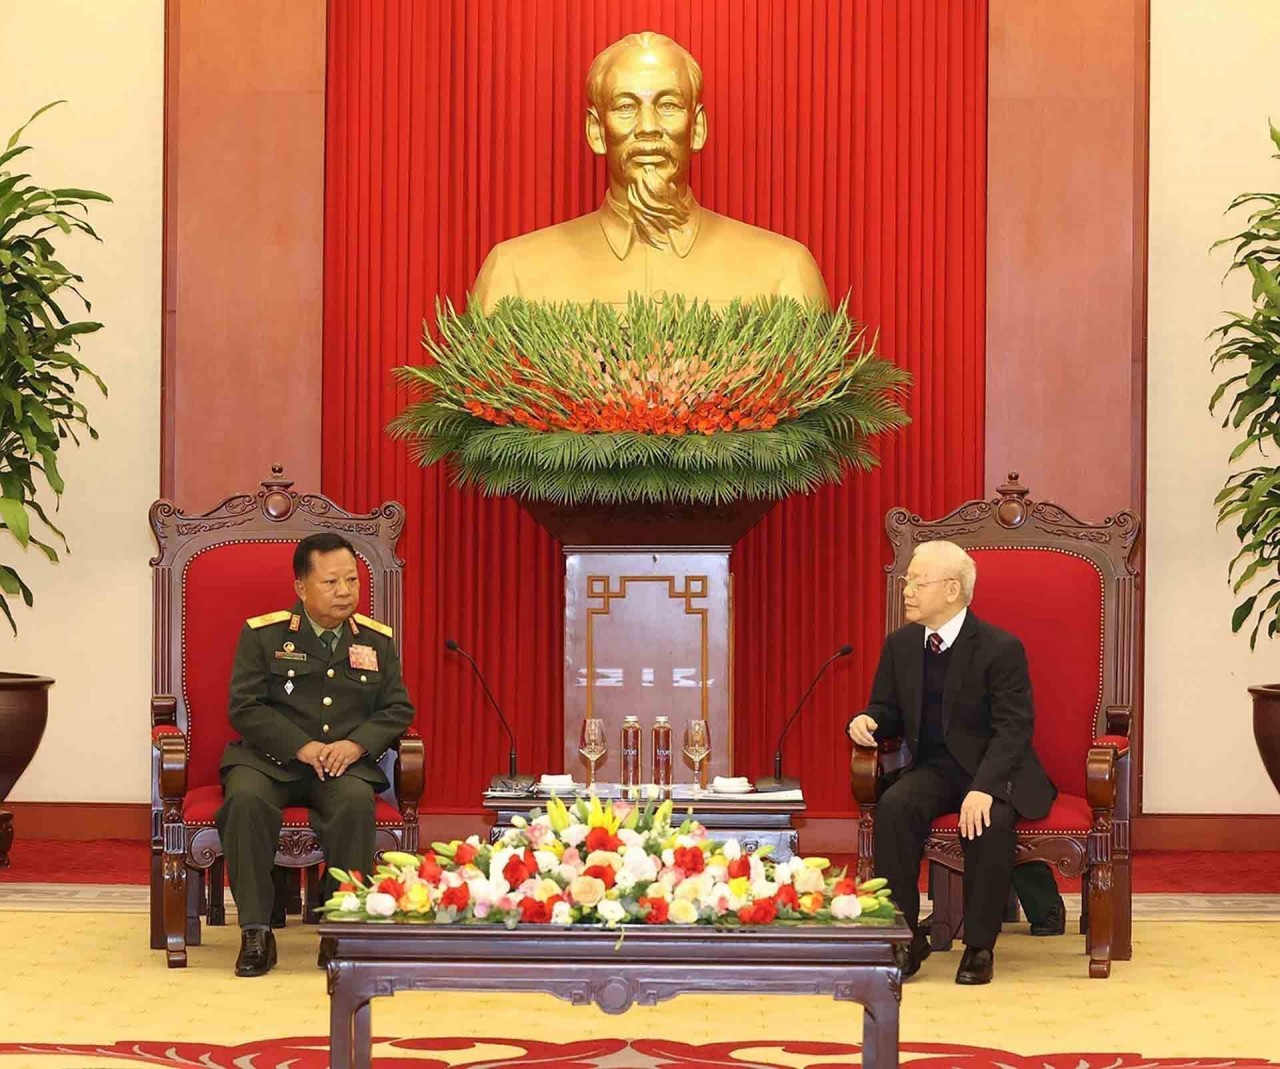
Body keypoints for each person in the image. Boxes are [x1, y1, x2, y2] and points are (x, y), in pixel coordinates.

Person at [471, 31, 830, 311]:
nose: (647, 127)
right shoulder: (514, 273)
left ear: (698, 127)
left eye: (668, 105)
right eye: (625, 106)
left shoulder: (784, 273)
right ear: (596, 131)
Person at [847, 540, 1057, 984]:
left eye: (917, 582)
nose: (906, 590)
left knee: (989, 821)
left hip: (996, 769)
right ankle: (904, 937)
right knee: (896, 807)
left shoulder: (1000, 648)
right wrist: (867, 720)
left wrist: (984, 787)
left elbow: (1013, 730)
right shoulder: (901, 646)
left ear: (951, 590)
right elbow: (887, 709)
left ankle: (979, 946)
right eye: (907, 581)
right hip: (938, 768)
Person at [216, 532, 414, 976]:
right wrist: (299, 746)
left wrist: (357, 744)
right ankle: (255, 932)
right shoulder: (263, 635)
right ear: (301, 588)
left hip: (342, 764)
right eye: (331, 582)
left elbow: (398, 708)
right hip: (269, 760)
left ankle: (340, 927)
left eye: (352, 581)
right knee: (245, 801)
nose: (345, 592)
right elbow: (244, 707)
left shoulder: (377, 642)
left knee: (354, 803)